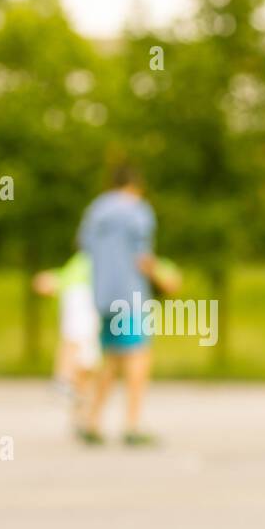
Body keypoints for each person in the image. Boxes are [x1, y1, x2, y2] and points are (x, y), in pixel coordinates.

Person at [76, 163, 160, 446]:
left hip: (103, 295)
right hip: (131, 295)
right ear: (136, 186)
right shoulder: (137, 210)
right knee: (138, 357)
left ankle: (91, 420)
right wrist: (162, 279)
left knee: (111, 359)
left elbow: (84, 248)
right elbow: (142, 258)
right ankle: (132, 425)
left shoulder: (95, 210)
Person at [32, 250, 99, 430]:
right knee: (77, 343)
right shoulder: (88, 258)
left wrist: (53, 280)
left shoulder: (85, 258)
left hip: (92, 298)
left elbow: (60, 278)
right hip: (85, 295)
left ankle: (81, 416)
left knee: (87, 364)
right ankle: (63, 380)